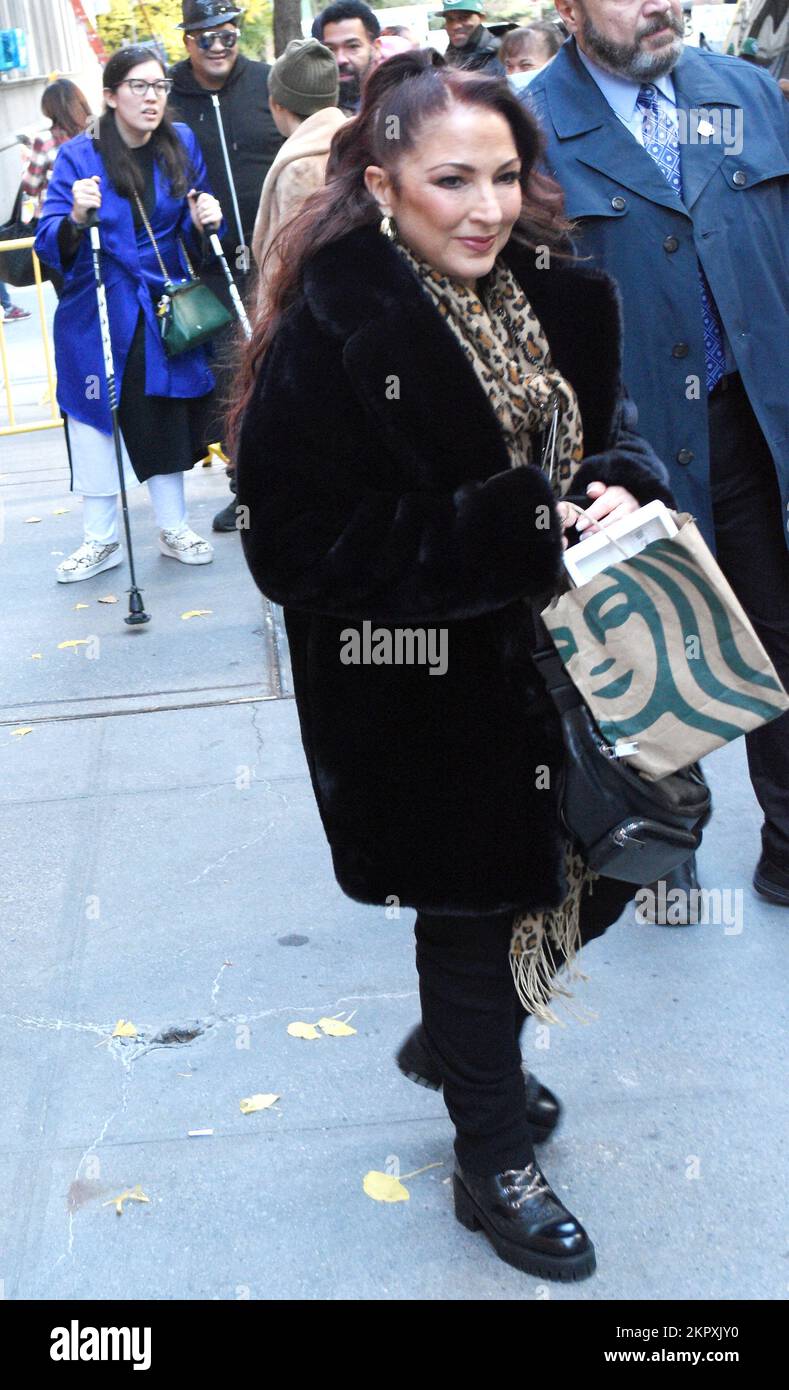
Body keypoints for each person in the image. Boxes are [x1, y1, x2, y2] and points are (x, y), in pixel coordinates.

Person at [231, 51, 675, 1281]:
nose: (485, 206)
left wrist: (616, 485)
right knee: (477, 910)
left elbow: (614, 432)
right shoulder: (341, 317)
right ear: (381, 185)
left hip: (587, 662)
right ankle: (491, 1158)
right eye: (450, 181)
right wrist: (519, 525)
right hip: (419, 680)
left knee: (639, 851)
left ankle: (459, 1039)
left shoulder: (560, 293)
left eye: (503, 175)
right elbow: (295, 542)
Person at [528, 0, 789, 911]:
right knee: (648, 650)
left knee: (776, 633)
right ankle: (659, 850)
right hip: (622, 447)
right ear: (565, 10)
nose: (659, 1)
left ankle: (788, 846)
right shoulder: (527, 128)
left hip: (754, 422)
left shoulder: (748, 94)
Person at [35, 46, 223, 583]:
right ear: (111, 96)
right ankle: (100, 540)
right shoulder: (78, 154)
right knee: (92, 412)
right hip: (95, 300)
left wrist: (206, 217)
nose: (151, 97)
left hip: (160, 298)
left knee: (159, 408)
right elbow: (50, 238)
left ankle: (174, 527)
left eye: (159, 86)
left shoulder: (180, 143)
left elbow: (195, 227)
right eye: (138, 87)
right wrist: (73, 213)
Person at [169, 0, 283, 532]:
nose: (218, 46)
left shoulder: (270, 82)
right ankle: (247, 488)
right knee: (233, 380)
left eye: (228, 34)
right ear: (187, 40)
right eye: (204, 37)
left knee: (289, 367)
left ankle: (308, 476)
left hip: (278, 256)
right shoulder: (167, 95)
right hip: (209, 263)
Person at [251, 39, 346, 306]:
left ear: (277, 103)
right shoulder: (354, 147)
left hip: (310, 323)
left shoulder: (299, 169)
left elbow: (287, 269)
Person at [21, 78, 93, 217]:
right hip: (96, 215)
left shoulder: (45, 141)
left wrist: (26, 163)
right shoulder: (96, 133)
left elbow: (31, 187)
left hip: (57, 217)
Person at [311, 0, 382, 114]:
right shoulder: (313, 109)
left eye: (353, 46)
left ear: (376, 48)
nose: (340, 59)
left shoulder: (399, 104)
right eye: (330, 49)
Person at [438, 1, 506, 75]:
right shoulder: (449, 56)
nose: (455, 26)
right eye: (450, 19)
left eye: (464, 17)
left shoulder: (502, 57)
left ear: (481, 18)